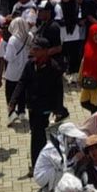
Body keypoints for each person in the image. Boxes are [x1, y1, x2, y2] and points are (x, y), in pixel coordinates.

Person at [14, 37, 64, 176]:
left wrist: (58, 108)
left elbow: (58, 90)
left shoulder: (54, 68)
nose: (33, 51)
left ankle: (37, 165)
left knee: (38, 135)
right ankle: (40, 163)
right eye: (33, 48)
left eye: (36, 49)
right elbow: (22, 82)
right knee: (36, 133)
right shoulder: (30, 65)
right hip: (32, 106)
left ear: (45, 51)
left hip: (45, 106)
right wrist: (13, 101)